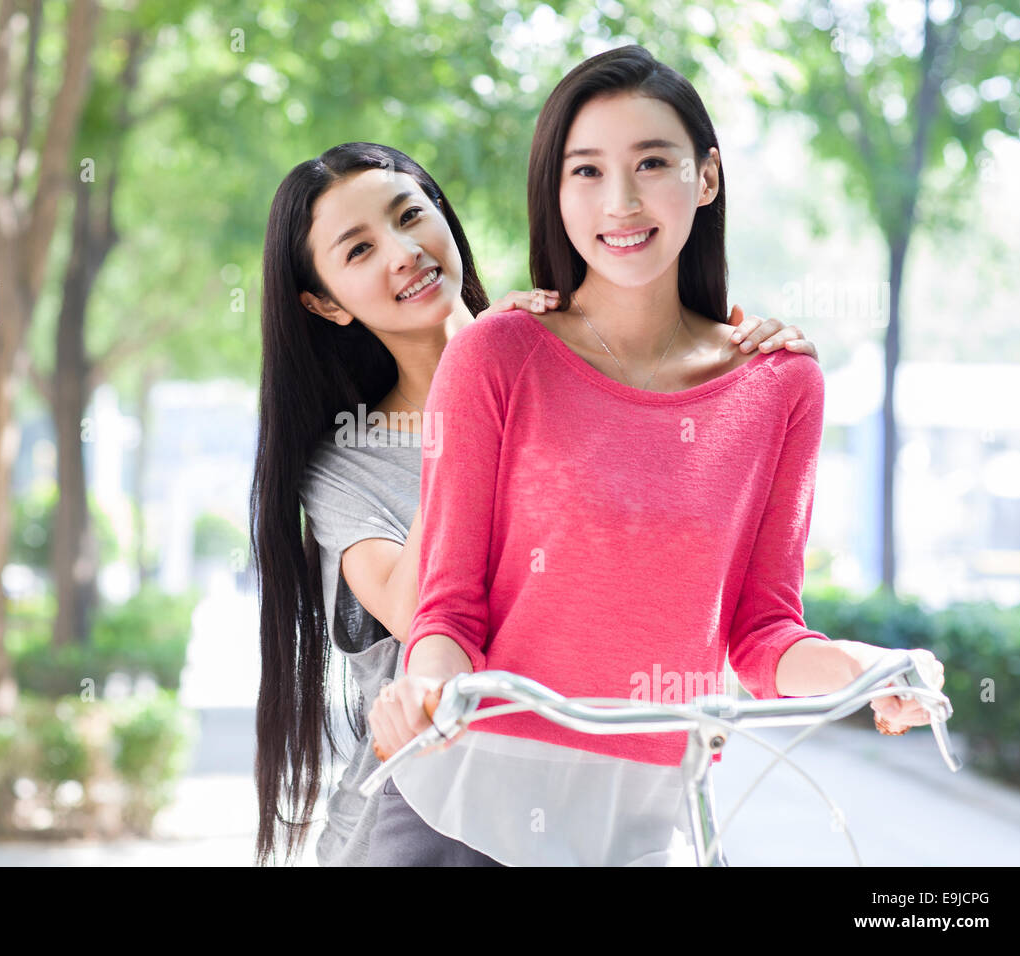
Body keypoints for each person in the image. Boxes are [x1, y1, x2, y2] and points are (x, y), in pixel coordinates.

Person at [367, 46, 946, 866]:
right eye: (587, 172)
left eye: (652, 163)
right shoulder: (498, 356)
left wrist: (874, 668)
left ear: (706, 177)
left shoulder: (782, 384)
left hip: (641, 824)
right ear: (555, 190)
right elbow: (449, 609)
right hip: (459, 805)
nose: (622, 201)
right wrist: (424, 689)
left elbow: (763, 636)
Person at [251, 139, 819, 866]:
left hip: (597, 811)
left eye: (409, 216)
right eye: (358, 251)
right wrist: (471, 384)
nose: (402, 252)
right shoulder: (346, 465)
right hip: (423, 817)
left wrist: (744, 361)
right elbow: (415, 608)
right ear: (325, 302)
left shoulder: (557, 369)